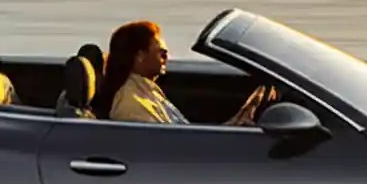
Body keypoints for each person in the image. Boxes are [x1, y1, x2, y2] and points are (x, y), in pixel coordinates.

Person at [93, 20, 272, 125]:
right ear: (139, 56)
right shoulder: (130, 103)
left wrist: (240, 118)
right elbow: (167, 146)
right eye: (160, 52)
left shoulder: (146, 89)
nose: (166, 56)